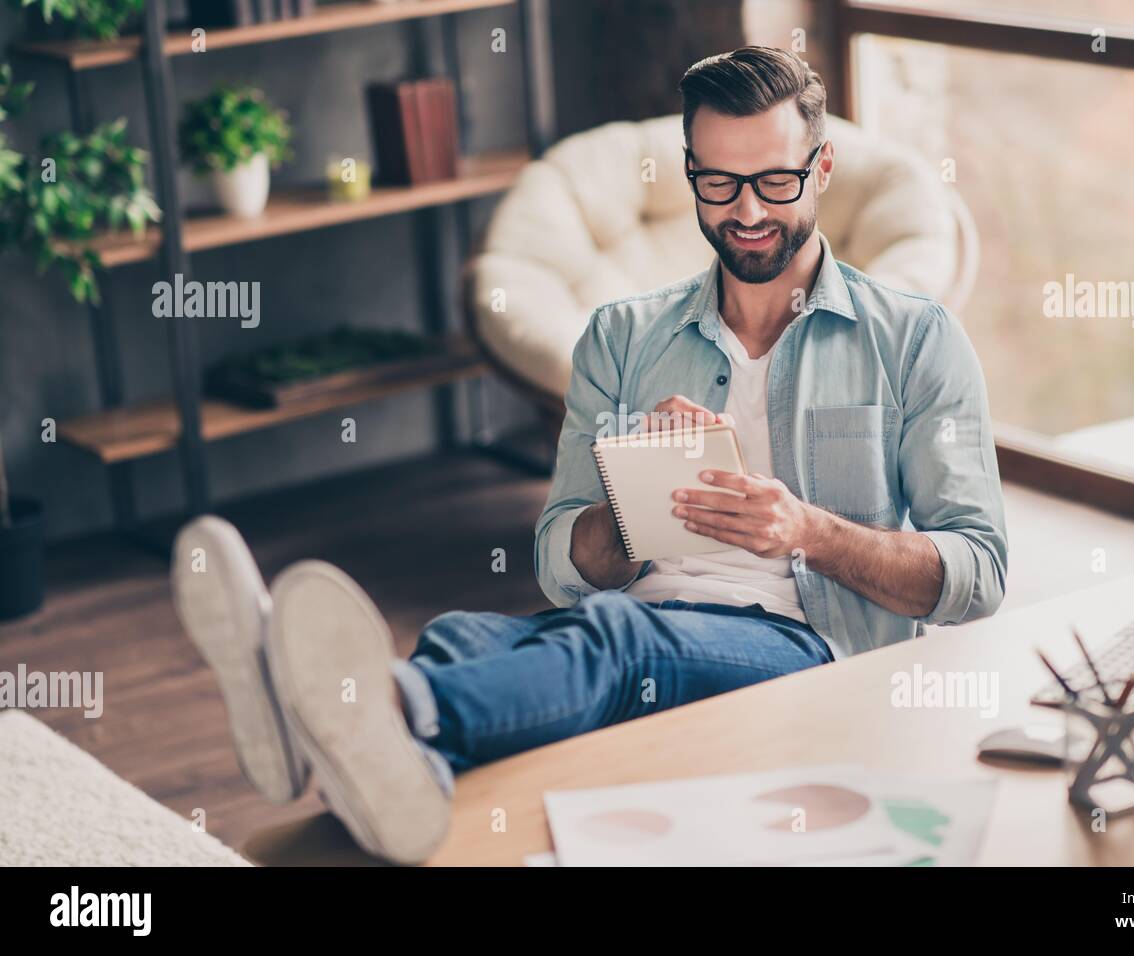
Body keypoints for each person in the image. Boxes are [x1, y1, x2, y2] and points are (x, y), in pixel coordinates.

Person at [172, 46, 1008, 864]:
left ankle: (365, 711)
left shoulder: (915, 339)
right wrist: (631, 502)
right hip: (641, 611)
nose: (746, 211)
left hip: (806, 646)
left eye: (774, 181)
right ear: (689, 172)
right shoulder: (622, 338)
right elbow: (560, 562)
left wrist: (807, 531)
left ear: (821, 169)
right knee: (462, 635)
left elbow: (978, 573)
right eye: (717, 183)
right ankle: (374, 770)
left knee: (614, 640)